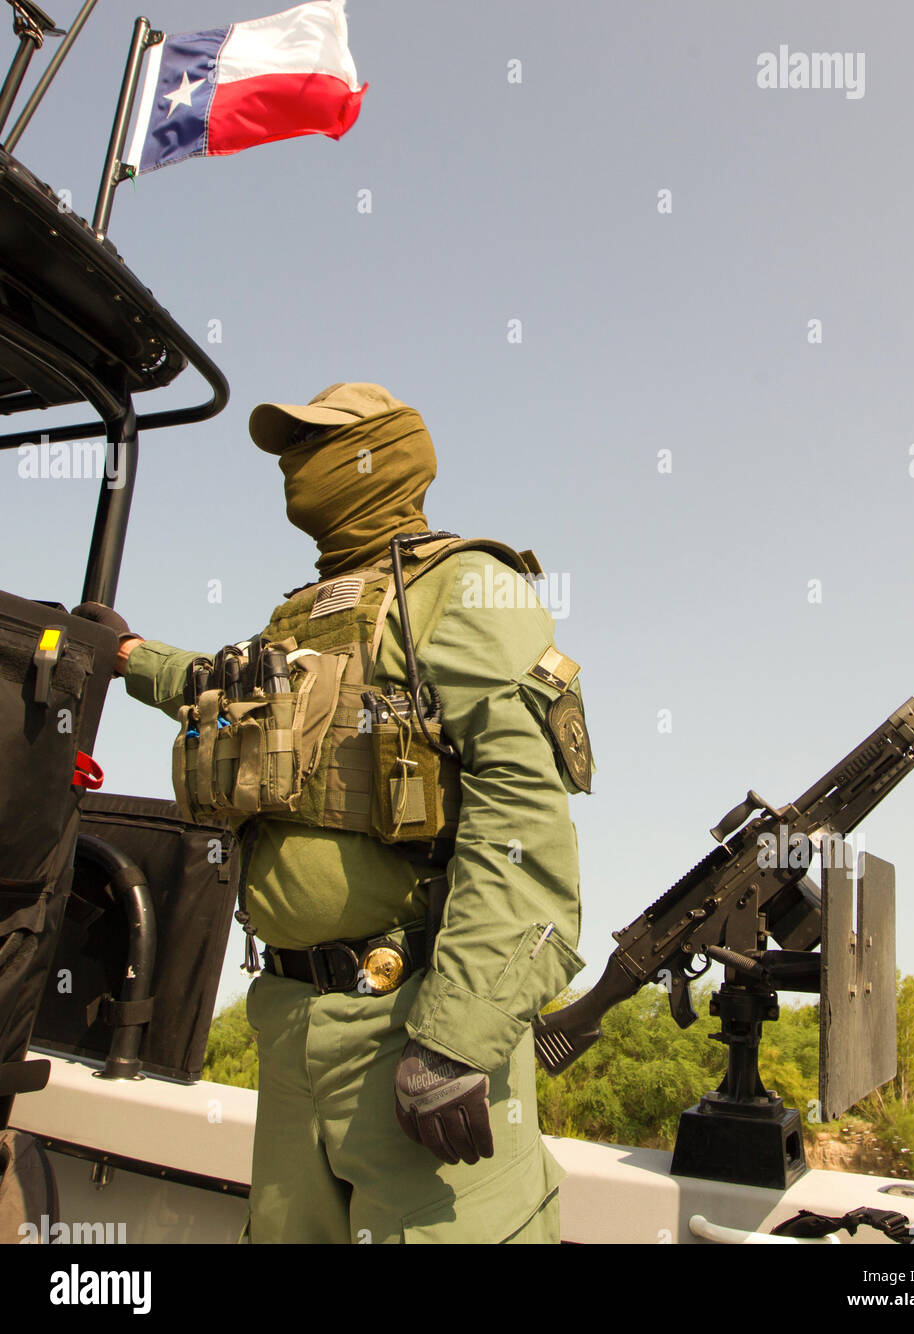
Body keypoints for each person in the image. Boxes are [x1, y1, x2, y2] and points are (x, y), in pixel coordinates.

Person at [77, 381, 590, 1244]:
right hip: (289, 1024)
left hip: (409, 1026)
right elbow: (221, 689)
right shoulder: (308, 614)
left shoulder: (465, 588)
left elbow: (523, 823)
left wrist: (459, 1037)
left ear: (385, 455)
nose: (294, 468)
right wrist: (129, 655)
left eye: (317, 445)